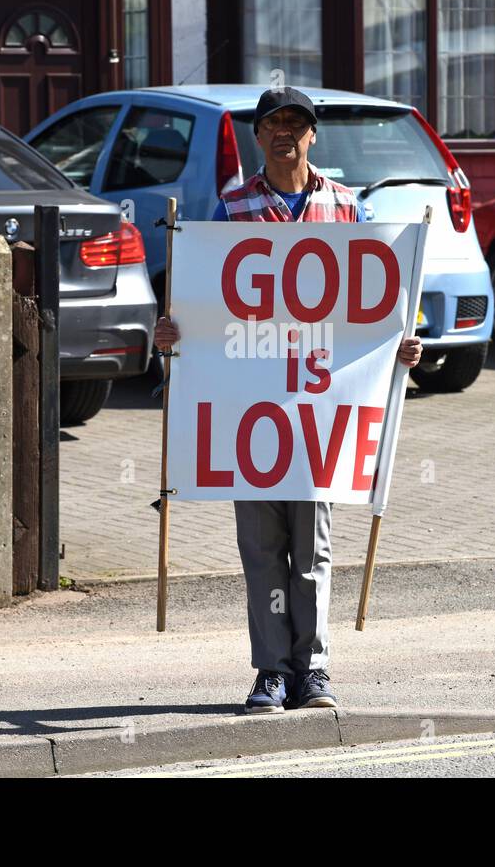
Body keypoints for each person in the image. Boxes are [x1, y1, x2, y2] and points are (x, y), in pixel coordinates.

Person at [153, 87, 422, 714]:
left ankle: (315, 669)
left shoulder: (344, 207)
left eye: (295, 124)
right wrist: (172, 335)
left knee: (315, 546)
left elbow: (368, 307)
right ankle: (271, 671)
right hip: (253, 407)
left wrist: (397, 348)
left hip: (321, 406)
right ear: (258, 136)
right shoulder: (232, 208)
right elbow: (204, 304)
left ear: (312, 136)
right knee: (262, 548)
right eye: (272, 123)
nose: (284, 133)